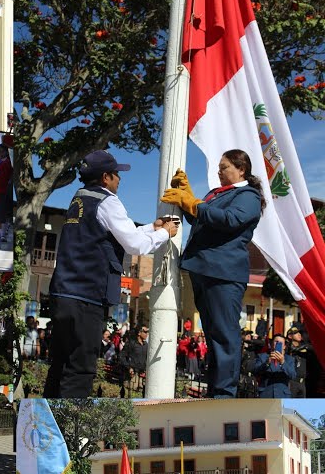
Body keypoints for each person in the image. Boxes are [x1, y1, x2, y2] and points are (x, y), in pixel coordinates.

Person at [45, 151, 176, 398]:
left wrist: (151, 227)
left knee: (59, 365)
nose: (119, 178)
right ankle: (69, 430)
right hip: (87, 295)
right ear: (106, 177)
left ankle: (46, 425)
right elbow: (135, 245)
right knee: (80, 369)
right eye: (116, 174)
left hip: (63, 291)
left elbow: (113, 231)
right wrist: (165, 233)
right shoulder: (108, 201)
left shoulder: (80, 198)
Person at [162, 150, 264, 398]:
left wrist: (193, 203)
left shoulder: (248, 195)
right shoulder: (216, 194)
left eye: (224, 166)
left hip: (223, 274)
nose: (219, 171)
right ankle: (216, 390)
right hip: (203, 269)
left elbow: (229, 219)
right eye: (219, 167)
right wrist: (189, 199)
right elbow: (201, 219)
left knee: (225, 336)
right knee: (213, 335)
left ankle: (224, 394)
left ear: (241, 169)